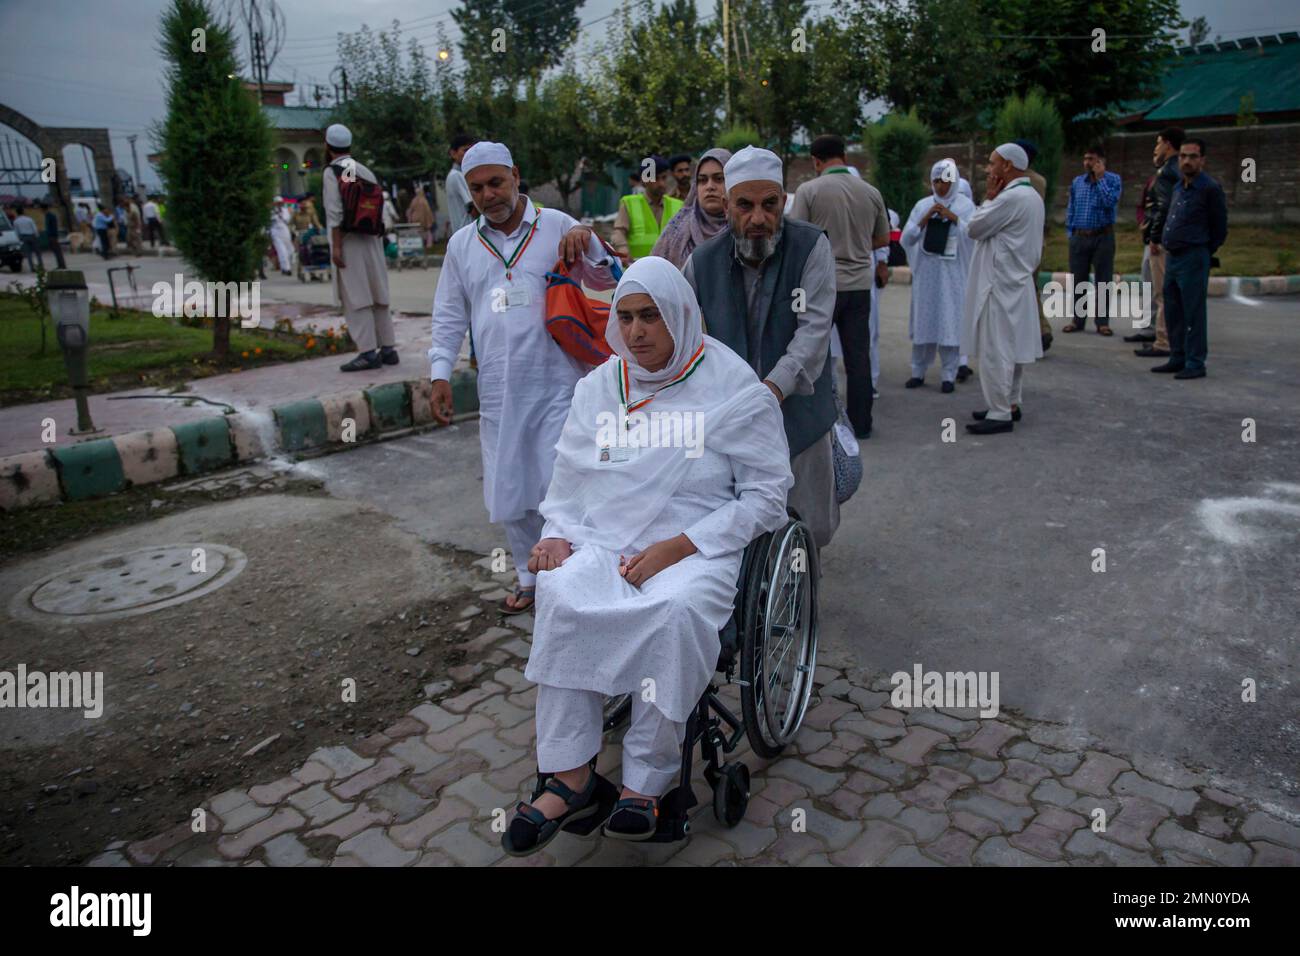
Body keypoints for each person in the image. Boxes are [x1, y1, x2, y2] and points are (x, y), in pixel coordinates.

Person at [499, 256, 793, 853]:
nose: (635, 332)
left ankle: (646, 782)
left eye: (650, 317)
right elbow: (573, 476)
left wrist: (678, 547)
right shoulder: (602, 385)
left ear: (680, 315)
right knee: (561, 593)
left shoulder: (733, 387)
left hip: (698, 542)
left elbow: (767, 499)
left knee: (676, 611)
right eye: (626, 317)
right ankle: (571, 773)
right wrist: (557, 530)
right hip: (607, 537)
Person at [428, 141, 619, 615]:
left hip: (559, 384)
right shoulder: (461, 245)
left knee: (563, 480)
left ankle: (572, 573)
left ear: (515, 176)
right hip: (499, 390)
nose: (488, 194)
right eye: (477, 188)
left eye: (496, 182)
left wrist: (587, 237)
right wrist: (439, 374)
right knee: (511, 488)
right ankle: (528, 577)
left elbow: (609, 278)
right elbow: (449, 314)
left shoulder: (556, 225)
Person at [683, 146, 839, 547]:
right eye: (745, 206)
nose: (758, 219)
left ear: (784, 201)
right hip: (729, 420)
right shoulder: (703, 262)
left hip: (798, 413)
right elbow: (677, 328)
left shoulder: (810, 247)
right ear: (728, 205)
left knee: (807, 526)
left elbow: (813, 332)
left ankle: (802, 599)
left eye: (769, 205)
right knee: (738, 526)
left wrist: (770, 392)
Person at [789, 135, 888, 439]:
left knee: (814, 352)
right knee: (858, 356)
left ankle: (818, 420)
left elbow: (797, 238)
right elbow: (883, 240)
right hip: (860, 284)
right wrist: (857, 245)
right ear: (844, 156)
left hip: (822, 285)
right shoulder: (870, 192)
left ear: (816, 161)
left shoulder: (809, 190)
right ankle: (862, 423)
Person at [961, 143, 1045, 435]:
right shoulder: (1031, 195)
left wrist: (988, 198)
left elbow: (974, 228)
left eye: (992, 162)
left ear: (1007, 166)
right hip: (1015, 283)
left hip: (998, 285)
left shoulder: (1009, 198)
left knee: (996, 350)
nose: (988, 168)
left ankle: (999, 413)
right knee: (1013, 348)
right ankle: (1009, 403)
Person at [322, 123, 396, 371]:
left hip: (349, 240)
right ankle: (388, 348)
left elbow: (335, 212)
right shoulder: (363, 170)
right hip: (371, 239)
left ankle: (367, 352)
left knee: (357, 296)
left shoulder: (333, 171)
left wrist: (336, 247)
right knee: (378, 292)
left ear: (328, 146)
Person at [1152, 138, 1227, 380]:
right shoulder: (1178, 187)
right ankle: (1177, 356)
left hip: (1193, 256)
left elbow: (1219, 228)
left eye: (1193, 157)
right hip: (1172, 256)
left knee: (1193, 311)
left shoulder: (1209, 189)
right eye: (1183, 156)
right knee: (1173, 309)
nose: (1186, 161)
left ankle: (1195, 362)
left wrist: (1203, 250)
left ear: (1202, 160)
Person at [900, 159, 975, 393]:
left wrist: (953, 217)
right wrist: (925, 219)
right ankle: (918, 371)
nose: (941, 186)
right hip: (928, 274)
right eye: (936, 181)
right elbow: (906, 239)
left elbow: (975, 234)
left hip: (952, 274)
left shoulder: (965, 206)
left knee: (950, 324)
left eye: (945, 181)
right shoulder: (923, 204)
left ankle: (949, 375)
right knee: (925, 323)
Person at [1131, 127, 1184, 359]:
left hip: (1161, 240)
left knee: (1161, 291)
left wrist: (1154, 236)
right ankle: (1154, 331)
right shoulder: (1177, 171)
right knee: (1155, 288)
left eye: (1159, 143)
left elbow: (1164, 207)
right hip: (1171, 237)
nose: (1156, 148)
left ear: (1169, 145)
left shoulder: (1167, 172)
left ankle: (1163, 340)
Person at [1062, 144, 1122, 335]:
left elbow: (1110, 202)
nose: (1088, 163)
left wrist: (1100, 179)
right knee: (1079, 279)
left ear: (1101, 161)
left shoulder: (1113, 180)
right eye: (1086, 159)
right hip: (1080, 236)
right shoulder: (1078, 182)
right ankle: (1078, 320)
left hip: (1103, 236)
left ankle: (1102, 322)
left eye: (1092, 159)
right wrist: (1070, 234)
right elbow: (1071, 208)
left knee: (1103, 280)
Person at [650, 146, 731, 269]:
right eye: (702, 180)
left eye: (719, 179)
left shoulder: (746, 228)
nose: (710, 186)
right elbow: (654, 271)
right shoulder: (677, 229)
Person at [1013, 139, 1053, 354]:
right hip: (1036, 241)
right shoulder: (1040, 180)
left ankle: (1036, 332)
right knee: (1031, 285)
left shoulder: (1018, 180)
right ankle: (1041, 330)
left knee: (1023, 288)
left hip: (1019, 243)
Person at [612, 155, 682, 262]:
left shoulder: (678, 205)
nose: (661, 183)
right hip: (638, 269)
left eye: (664, 178)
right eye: (656, 179)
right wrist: (622, 247)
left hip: (669, 270)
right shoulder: (629, 203)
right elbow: (619, 232)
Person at [445, 134, 478, 237]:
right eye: (465, 150)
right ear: (453, 153)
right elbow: (473, 208)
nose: (469, 154)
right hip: (467, 233)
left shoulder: (460, 175)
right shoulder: (457, 176)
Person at [268, 197, 295, 275]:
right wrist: (276, 215)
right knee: (281, 251)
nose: (279, 204)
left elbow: (287, 219)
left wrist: (281, 215)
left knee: (290, 250)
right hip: (276, 230)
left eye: (280, 202)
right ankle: (286, 269)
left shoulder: (285, 210)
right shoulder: (271, 211)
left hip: (284, 230)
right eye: (277, 203)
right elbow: (271, 219)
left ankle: (285, 266)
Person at [11, 205, 42, 272]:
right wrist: (37, 236)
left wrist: (19, 239)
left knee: (29, 254)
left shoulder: (16, 221)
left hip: (24, 237)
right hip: (32, 236)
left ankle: (32, 268)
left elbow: (17, 232)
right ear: (23, 212)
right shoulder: (29, 219)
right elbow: (34, 228)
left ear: (17, 213)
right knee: (37, 253)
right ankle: (41, 266)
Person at [38, 201, 65, 269]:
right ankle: (60, 264)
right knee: (56, 251)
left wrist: (53, 236)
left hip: (53, 236)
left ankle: (62, 265)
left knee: (57, 251)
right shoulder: (47, 216)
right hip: (50, 236)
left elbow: (53, 227)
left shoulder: (51, 216)